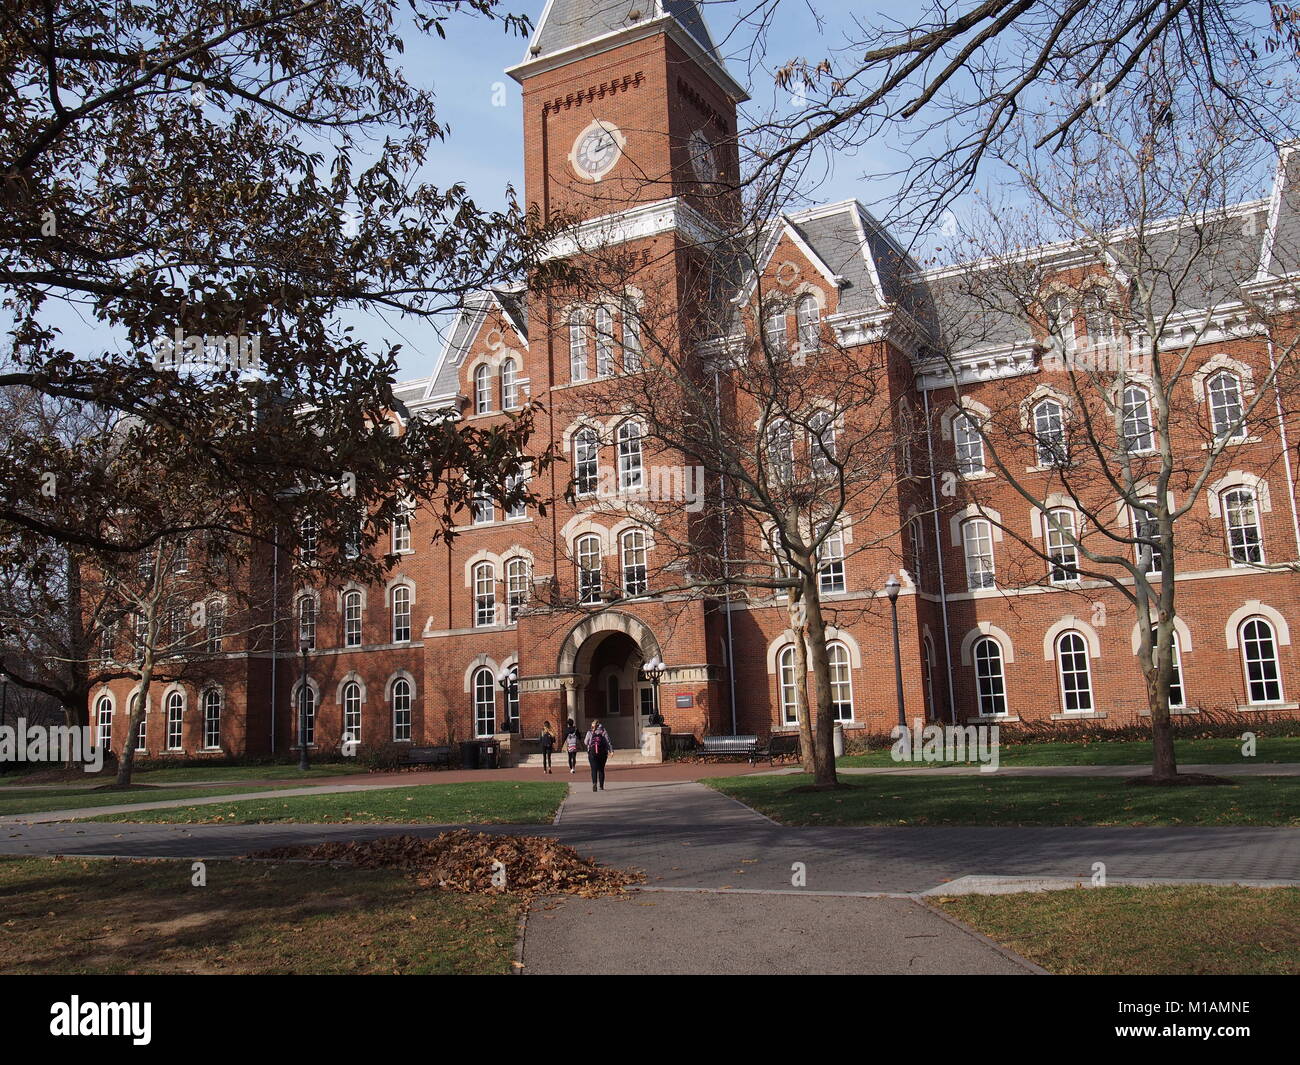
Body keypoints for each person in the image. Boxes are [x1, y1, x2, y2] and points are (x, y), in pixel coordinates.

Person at [584, 719, 613, 792]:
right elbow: (608, 742)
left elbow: (585, 742)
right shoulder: (603, 731)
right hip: (602, 753)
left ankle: (594, 783)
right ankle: (601, 786)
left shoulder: (589, 732)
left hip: (592, 753)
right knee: (601, 769)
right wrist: (611, 751)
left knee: (593, 769)